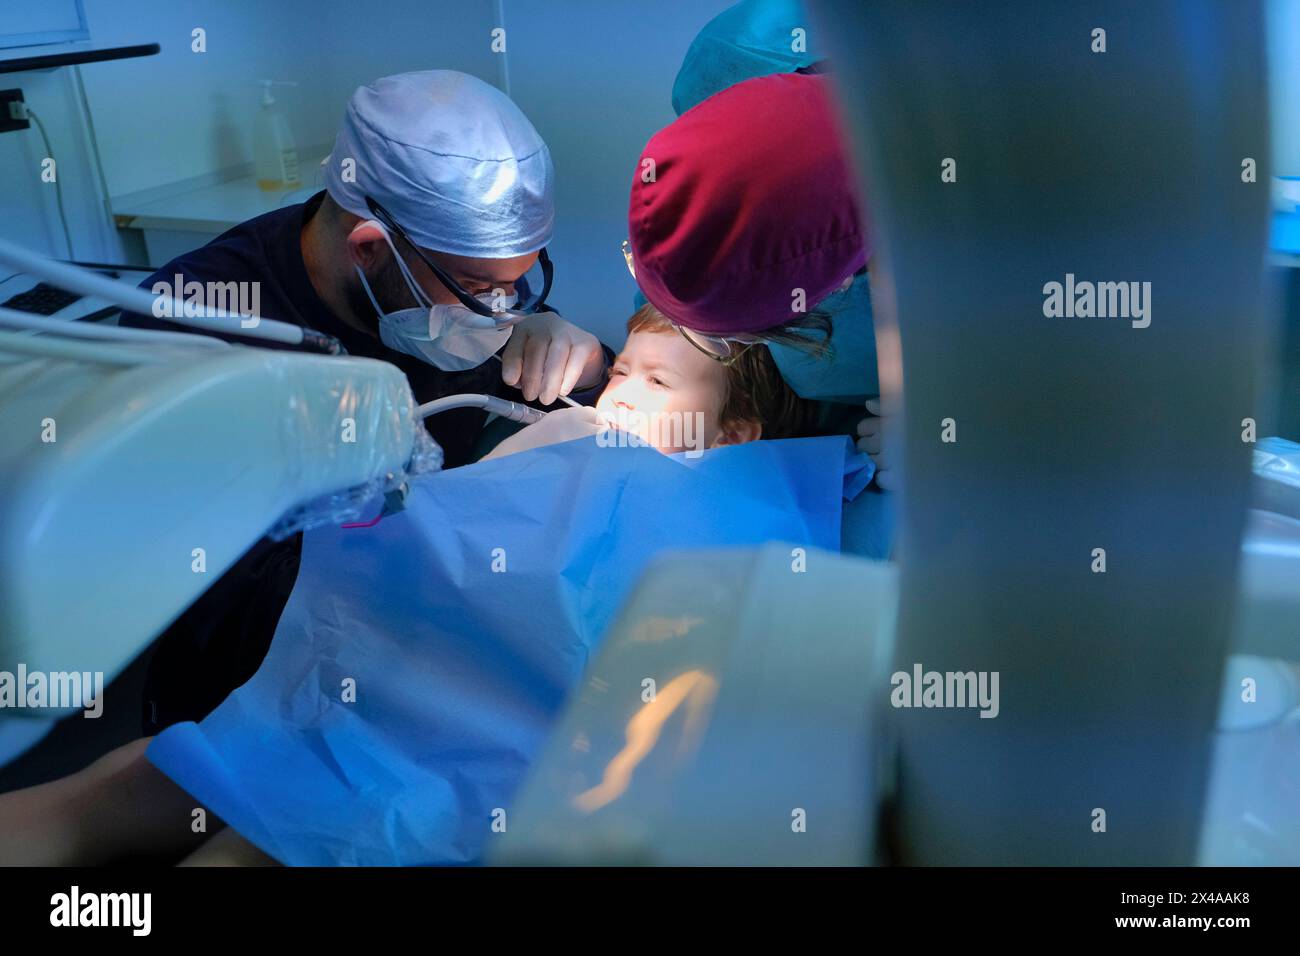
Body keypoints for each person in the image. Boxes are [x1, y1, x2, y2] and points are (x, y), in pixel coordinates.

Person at [0, 303, 846, 868]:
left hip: (451, 760)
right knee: (157, 773)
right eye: (622, 368)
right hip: (355, 680)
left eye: (656, 384)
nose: (619, 394)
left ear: (737, 432)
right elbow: (447, 527)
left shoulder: (744, 517)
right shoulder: (570, 436)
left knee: (254, 840)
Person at [120, 71, 608, 736]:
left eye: (519, 286)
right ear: (371, 249)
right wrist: (454, 523)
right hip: (256, 695)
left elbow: (552, 364)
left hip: (422, 649)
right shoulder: (192, 330)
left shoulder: (456, 294)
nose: (501, 314)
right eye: (480, 289)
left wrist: (582, 357)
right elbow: (220, 597)